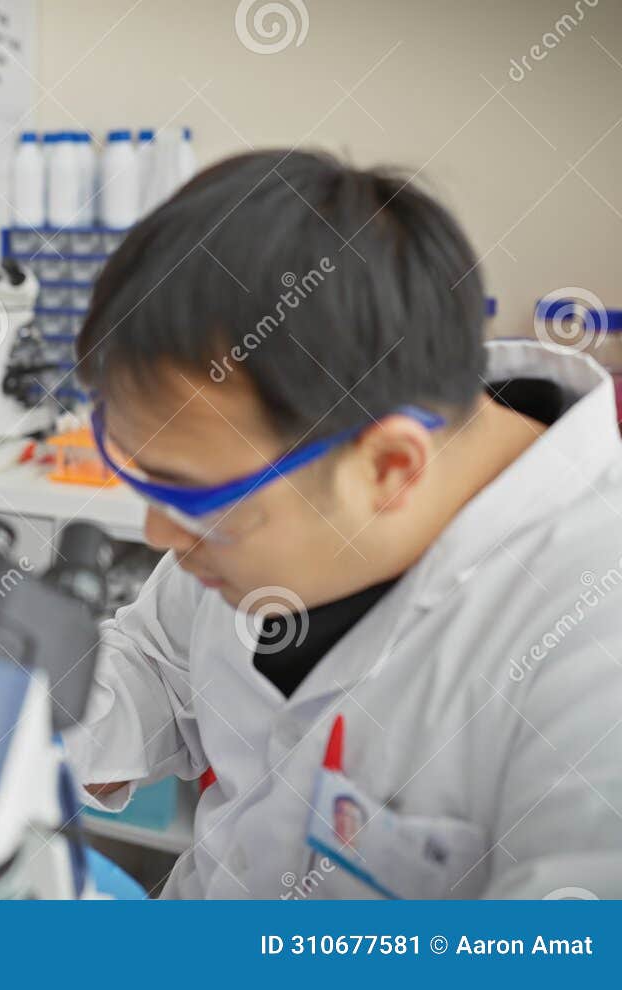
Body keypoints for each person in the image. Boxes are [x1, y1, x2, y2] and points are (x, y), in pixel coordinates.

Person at [64, 149, 622, 898]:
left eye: (193, 497)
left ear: (389, 468)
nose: (161, 535)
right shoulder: (265, 477)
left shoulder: (593, 638)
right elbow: (158, 665)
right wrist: (28, 723)